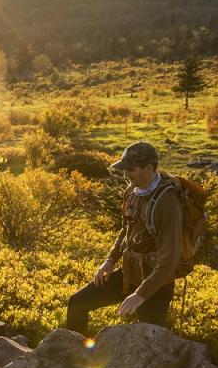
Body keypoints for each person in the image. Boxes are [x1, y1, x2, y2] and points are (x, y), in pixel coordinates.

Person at [65, 141, 182, 336]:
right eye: (124, 169)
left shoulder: (168, 202)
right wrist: (109, 261)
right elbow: (125, 230)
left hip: (156, 284)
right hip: (129, 273)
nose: (125, 175)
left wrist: (140, 295)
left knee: (150, 341)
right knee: (77, 303)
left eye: (131, 169)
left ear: (149, 168)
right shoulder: (131, 192)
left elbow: (169, 262)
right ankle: (76, 358)